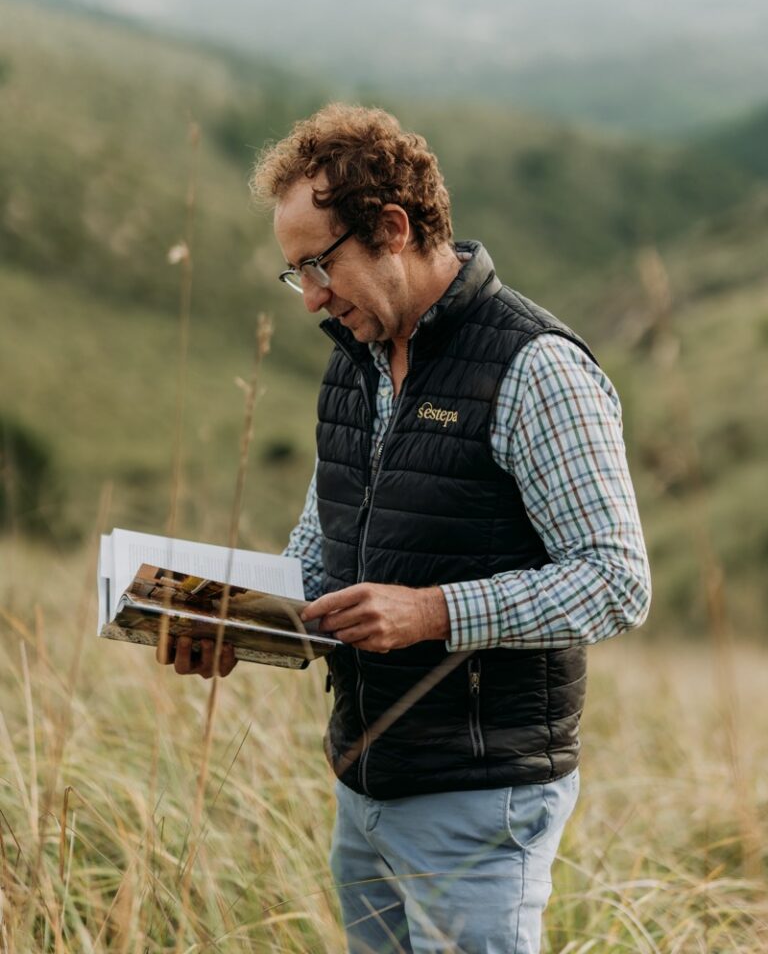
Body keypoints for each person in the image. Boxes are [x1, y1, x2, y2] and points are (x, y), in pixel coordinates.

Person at [164, 103, 651, 953]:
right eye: (295, 275)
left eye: (319, 265)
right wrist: (242, 625)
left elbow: (617, 580)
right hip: (365, 782)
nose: (311, 297)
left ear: (392, 228)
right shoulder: (350, 365)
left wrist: (433, 613)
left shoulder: (536, 367)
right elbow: (321, 548)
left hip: (480, 797)